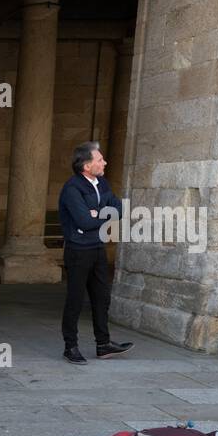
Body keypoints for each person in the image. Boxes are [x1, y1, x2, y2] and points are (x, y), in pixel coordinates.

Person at [57, 141, 134, 364]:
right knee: (75, 299)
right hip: (78, 251)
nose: (105, 162)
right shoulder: (72, 188)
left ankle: (103, 344)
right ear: (86, 165)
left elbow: (119, 210)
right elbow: (82, 220)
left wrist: (96, 213)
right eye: (100, 160)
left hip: (98, 248)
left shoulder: (102, 183)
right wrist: (101, 215)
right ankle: (70, 346)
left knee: (102, 298)